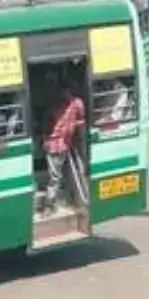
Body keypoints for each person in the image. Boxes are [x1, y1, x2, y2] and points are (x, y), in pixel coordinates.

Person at [40, 84, 86, 215]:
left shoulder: (76, 104)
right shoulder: (57, 107)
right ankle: (51, 204)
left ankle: (51, 204)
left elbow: (81, 122)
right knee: (55, 176)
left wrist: (76, 131)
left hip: (62, 144)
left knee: (56, 175)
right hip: (54, 145)